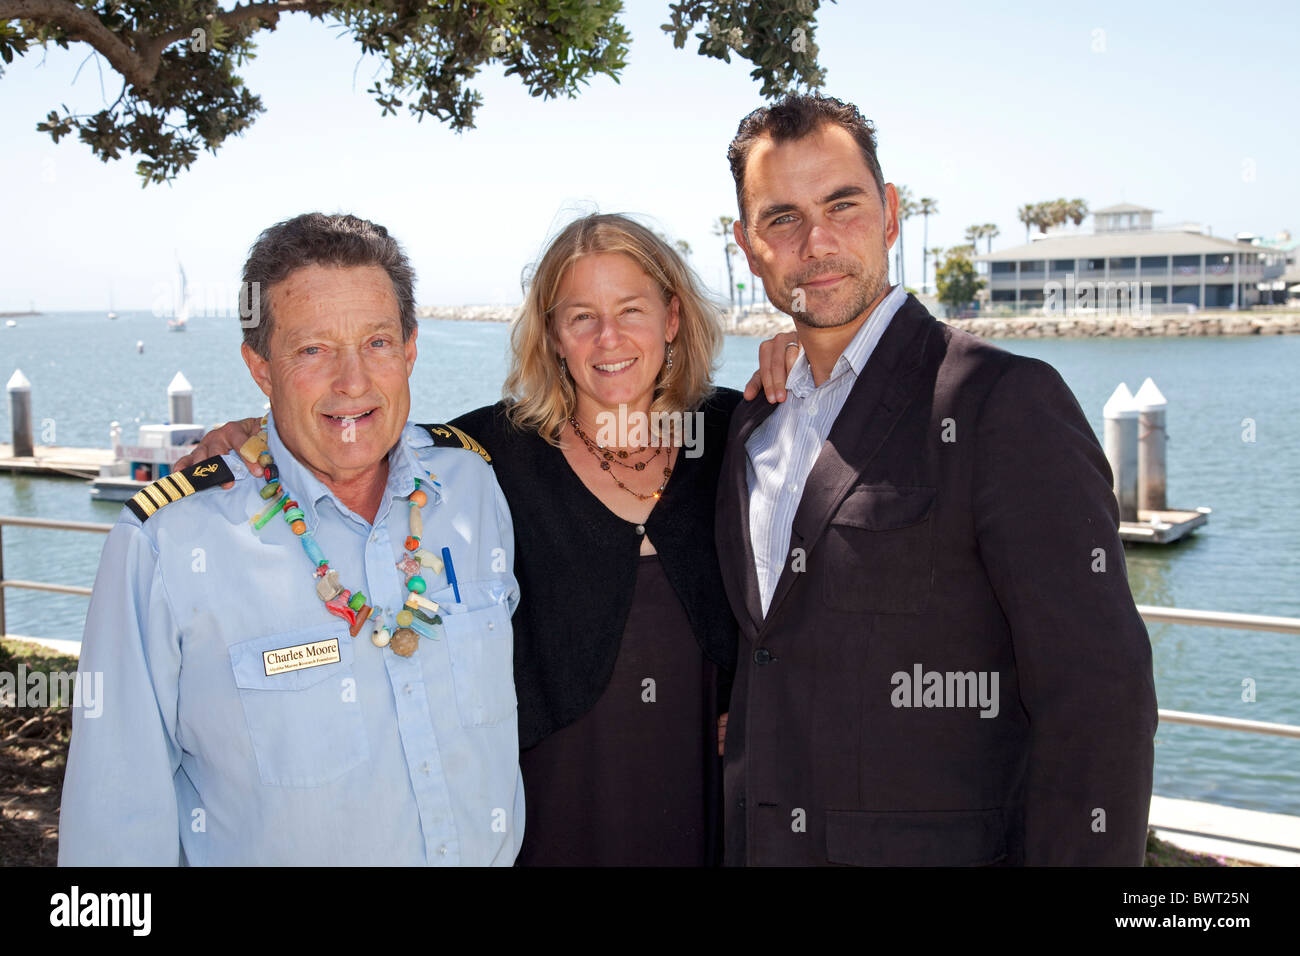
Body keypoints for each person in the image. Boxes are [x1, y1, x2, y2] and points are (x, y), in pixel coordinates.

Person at [177, 213, 743, 865]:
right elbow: (362, 440)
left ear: (672, 319)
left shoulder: (733, 433)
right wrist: (252, 430)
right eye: (580, 315)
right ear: (554, 334)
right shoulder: (490, 452)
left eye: (631, 310)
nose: (607, 338)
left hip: (706, 803)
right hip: (552, 807)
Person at [716, 94, 1158, 866]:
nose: (816, 242)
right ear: (748, 244)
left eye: (842, 205)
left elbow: (1099, 705)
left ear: (890, 214)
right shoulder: (754, 425)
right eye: (782, 218)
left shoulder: (1003, 402)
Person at [58, 213, 523, 865]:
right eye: (312, 350)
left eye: (378, 343)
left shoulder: (475, 486)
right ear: (261, 367)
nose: (353, 382)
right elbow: (114, 824)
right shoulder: (164, 546)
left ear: (411, 348)